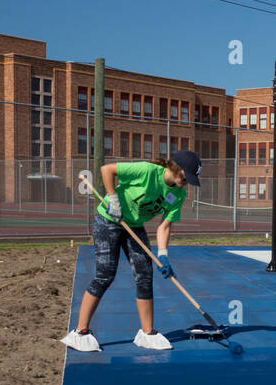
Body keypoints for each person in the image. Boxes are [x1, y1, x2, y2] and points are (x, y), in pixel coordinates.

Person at [61, 150, 201, 353]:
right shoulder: (147, 171)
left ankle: (147, 333)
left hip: (134, 225)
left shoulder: (178, 193)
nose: (187, 182)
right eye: (186, 177)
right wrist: (114, 200)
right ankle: (80, 332)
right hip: (109, 220)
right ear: (176, 168)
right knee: (105, 274)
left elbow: (165, 225)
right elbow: (107, 170)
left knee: (145, 274)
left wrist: (163, 255)